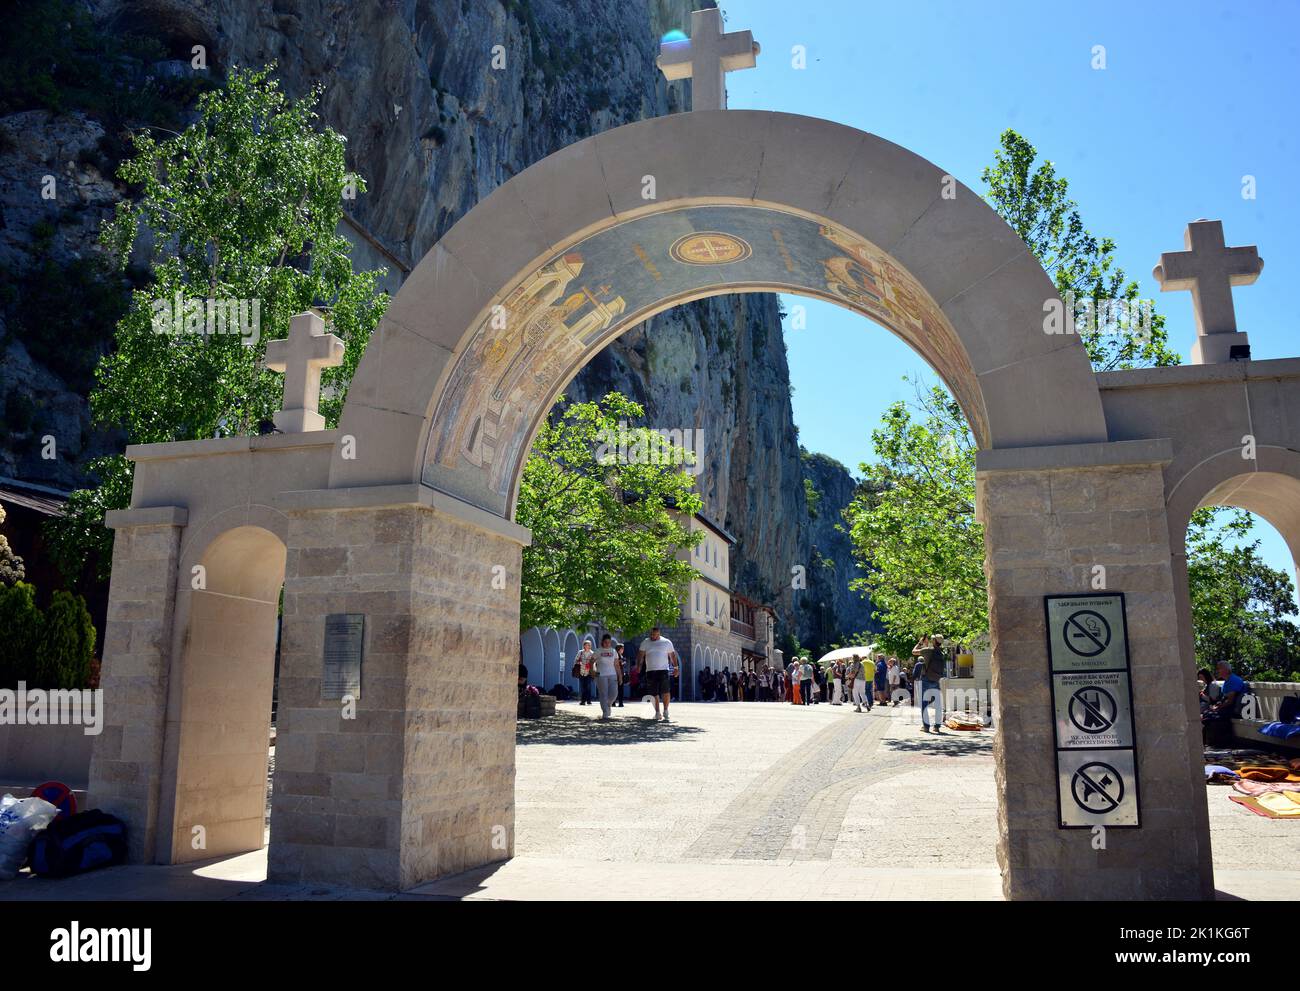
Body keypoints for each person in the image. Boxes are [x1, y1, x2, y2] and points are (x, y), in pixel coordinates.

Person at [637, 627, 679, 722]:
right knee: (653, 693)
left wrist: (676, 668)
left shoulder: (666, 642)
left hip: (663, 670)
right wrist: (638, 666)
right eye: (651, 634)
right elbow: (640, 655)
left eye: (655, 635)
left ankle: (665, 710)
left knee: (665, 691)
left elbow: (672, 656)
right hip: (650, 670)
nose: (653, 636)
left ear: (659, 634)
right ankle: (657, 712)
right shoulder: (645, 642)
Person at [912, 635, 946, 733]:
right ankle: (937, 726)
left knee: (924, 704)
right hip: (936, 680)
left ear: (934, 641)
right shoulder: (941, 652)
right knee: (938, 704)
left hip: (926, 679)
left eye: (933, 639)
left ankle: (926, 726)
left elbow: (914, 651)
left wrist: (920, 643)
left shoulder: (928, 650)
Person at [1202, 660, 1247, 732]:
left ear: (1226, 670)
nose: (1217, 671)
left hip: (1234, 709)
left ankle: (1219, 740)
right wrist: (1216, 706)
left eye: (1219, 668)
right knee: (1206, 713)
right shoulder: (1227, 681)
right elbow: (1224, 698)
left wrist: (1217, 708)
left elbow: (1230, 701)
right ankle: (1213, 740)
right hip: (1227, 707)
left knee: (1208, 716)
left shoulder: (1234, 680)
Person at [594, 634, 620, 720]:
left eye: (609, 642)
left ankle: (609, 704)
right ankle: (605, 712)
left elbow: (616, 665)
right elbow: (591, 662)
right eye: (605, 642)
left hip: (612, 674)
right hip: (601, 675)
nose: (607, 644)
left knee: (614, 693)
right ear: (602, 642)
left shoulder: (614, 651)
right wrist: (592, 671)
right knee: (603, 694)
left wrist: (620, 676)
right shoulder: (598, 651)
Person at [577, 638, 596, 706]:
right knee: (583, 686)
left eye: (589, 645)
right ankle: (583, 701)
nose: (587, 646)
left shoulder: (592, 653)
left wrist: (591, 665)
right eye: (586, 645)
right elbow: (576, 660)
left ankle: (589, 700)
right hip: (581, 671)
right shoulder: (580, 652)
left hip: (589, 672)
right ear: (584, 645)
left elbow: (594, 662)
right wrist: (580, 662)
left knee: (588, 686)